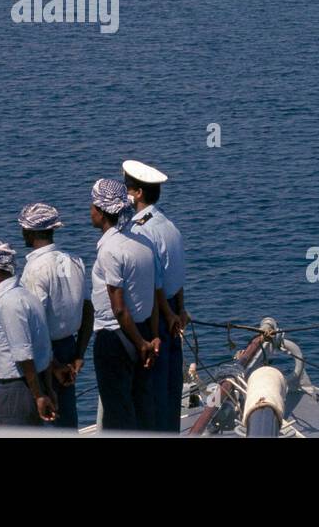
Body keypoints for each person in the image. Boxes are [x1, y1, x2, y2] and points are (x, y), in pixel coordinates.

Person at [89, 178, 163, 431]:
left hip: (115, 339)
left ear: (100, 212)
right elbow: (152, 295)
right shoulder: (144, 244)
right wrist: (152, 338)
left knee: (117, 413)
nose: (90, 211)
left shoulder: (109, 249)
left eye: (93, 206)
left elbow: (118, 308)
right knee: (142, 405)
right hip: (142, 331)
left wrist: (140, 343)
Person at [124, 160, 188, 433]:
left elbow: (154, 282)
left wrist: (168, 314)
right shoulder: (169, 226)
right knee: (171, 388)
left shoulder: (140, 229)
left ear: (137, 193)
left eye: (127, 188)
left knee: (151, 389)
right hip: (174, 311)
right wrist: (180, 311)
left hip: (156, 314)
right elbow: (177, 274)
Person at [18, 202, 92, 430]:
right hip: (71, 347)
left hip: (47, 354)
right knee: (68, 418)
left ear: (29, 233)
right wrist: (79, 353)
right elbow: (88, 310)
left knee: (47, 416)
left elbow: (36, 323)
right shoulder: (75, 261)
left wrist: (53, 364)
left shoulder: (34, 269)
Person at [0, 237, 56, 425]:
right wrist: (47, 388)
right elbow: (43, 348)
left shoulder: (8, 303)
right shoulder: (25, 295)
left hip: (16, 390)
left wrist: (39, 396)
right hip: (35, 382)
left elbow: (23, 355)